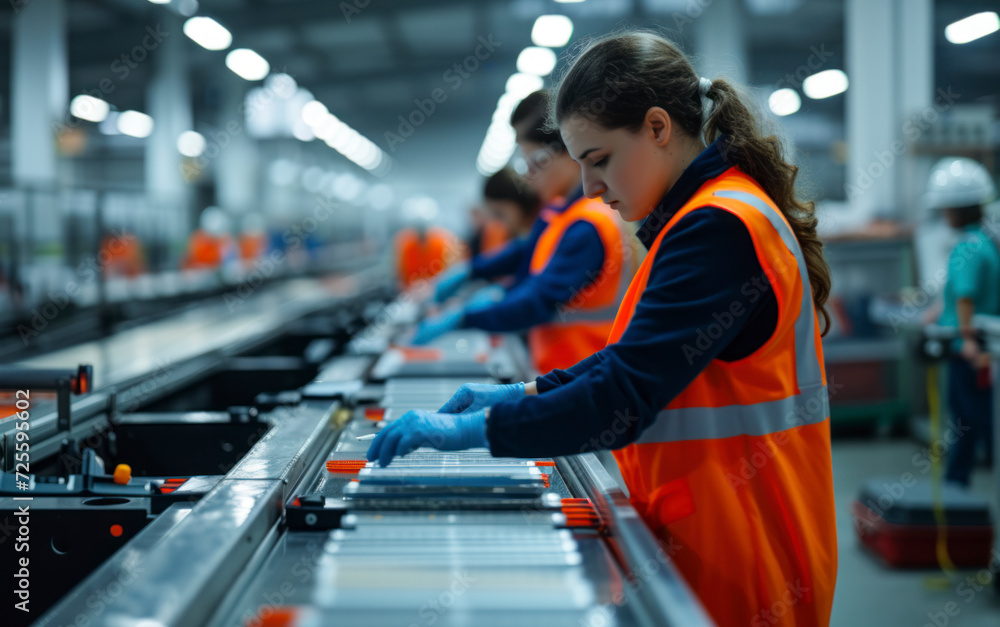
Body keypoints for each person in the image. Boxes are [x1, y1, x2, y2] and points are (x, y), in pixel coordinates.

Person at [370, 32, 837, 626]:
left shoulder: (718, 228)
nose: (588, 189)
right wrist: (524, 393)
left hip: (743, 561)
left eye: (600, 161)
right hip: (710, 537)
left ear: (658, 128)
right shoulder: (701, 217)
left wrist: (479, 430)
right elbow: (631, 360)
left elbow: (623, 396)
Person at [413, 90, 634, 376]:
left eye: (534, 162)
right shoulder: (558, 213)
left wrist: (466, 316)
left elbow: (538, 301)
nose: (528, 177)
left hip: (587, 373)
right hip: (559, 371)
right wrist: (473, 272)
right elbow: (524, 257)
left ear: (565, 149)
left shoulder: (589, 224)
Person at [924, 157, 999, 487]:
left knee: (969, 420)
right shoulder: (985, 241)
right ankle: (958, 484)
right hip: (984, 346)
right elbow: (963, 294)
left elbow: (966, 296)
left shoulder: (965, 248)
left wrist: (967, 339)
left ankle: (956, 487)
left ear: (955, 209)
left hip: (969, 349)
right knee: (977, 419)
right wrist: (938, 309)